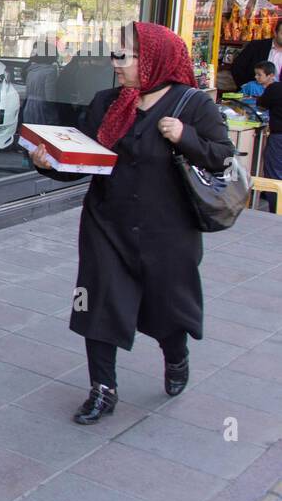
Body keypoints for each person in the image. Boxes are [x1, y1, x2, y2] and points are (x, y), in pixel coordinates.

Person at [30, 22, 234, 425]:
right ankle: (102, 390)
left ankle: (176, 356)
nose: (115, 63)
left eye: (124, 56)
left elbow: (222, 157)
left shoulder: (192, 105)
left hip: (169, 233)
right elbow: (83, 161)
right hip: (107, 224)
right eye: (115, 54)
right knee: (97, 304)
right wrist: (48, 162)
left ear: (154, 58)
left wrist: (185, 137)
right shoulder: (108, 102)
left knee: (168, 311)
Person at [255, 60, 282, 213]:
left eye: (259, 74)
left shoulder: (274, 89)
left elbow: (261, 105)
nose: (256, 77)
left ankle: (276, 210)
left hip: (278, 137)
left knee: (274, 173)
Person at [230, 18, 282, 91]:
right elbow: (237, 67)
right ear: (275, 33)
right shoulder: (256, 46)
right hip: (253, 95)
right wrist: (246, 87)